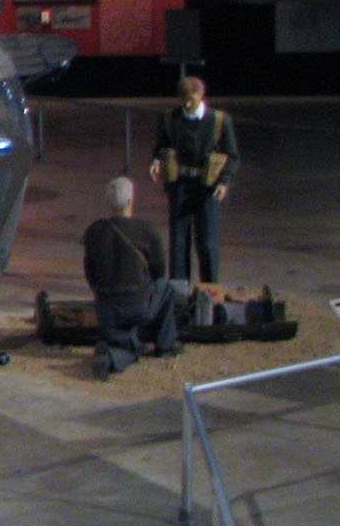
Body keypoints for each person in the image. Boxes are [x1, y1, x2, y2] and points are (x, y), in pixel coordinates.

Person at [82, 176, 180, 378]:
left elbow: (90, 271)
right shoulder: (147, 232)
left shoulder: (94, 231)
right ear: (130, 201)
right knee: (167, 289)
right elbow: (159, 271)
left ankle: (112, 356)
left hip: (107, 307)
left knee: (124, 343)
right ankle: (165, 345)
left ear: (108, 203)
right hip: (137, 305)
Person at [148, 75, 238, 283]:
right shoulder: (170, 118)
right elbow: (162, 144)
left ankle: (209, 292)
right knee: (179, 243)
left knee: (207, 243)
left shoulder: (219, 121)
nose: (188, 105)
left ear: (201, 96)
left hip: (207, 188)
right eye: (184, 100)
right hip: (180, 185)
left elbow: (232, 155)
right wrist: (156, 160)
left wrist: (225, 181)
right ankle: (180, 293)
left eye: (192, 100)